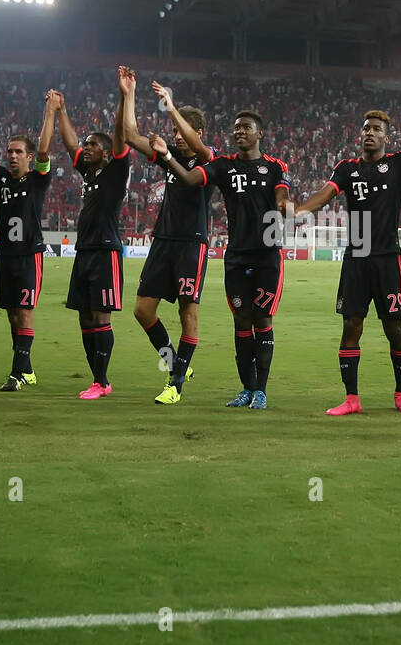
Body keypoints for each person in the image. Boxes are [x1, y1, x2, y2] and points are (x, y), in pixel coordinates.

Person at [291, 111, 401, 415]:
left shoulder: (398, 163)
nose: (369, 133)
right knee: (351, 326)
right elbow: (325, 195)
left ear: (386, 137)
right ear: (360, 136)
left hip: (387, 259)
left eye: (375, 129)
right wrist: (300, 210)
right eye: (365, 129)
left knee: (393, 328)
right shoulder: (346, 169)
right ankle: (351, 399)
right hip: (356, 258)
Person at [154, 110, 288, 409]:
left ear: (259, 134)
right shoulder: (223, 166)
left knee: (262, 319)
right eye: (236, 126)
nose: (239, 131)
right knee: (241, 320)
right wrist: (166, 156)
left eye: (246, 127)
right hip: (237, 256)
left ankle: (261, 391)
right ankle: (246, 388)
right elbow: (189, 178)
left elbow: (281, 193)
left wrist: (283, 205)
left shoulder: (275, 166)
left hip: (268, 253)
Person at [127, 79, 215, 405]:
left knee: (187, 313)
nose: (177, 135)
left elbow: (190, 161)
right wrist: (128, 93)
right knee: (142, 310)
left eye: (184, 130)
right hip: (163, 239)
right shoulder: (169, 154)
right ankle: (174, 360)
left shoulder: (210, 157)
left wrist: (170, 105)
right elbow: (129, 135)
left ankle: (176, 383)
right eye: (175, 129)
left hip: (192, 242)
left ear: (198, 132)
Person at [0, 89, 56, 391]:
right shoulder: (2, 178)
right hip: (5, 255)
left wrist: (51, 111)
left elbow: (44, 150)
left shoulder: (38, 179)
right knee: (10, 314)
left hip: (29, 255)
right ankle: (26, 367)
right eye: (10, 152)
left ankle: (16, 374)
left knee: (24, 312)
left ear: (29, 158)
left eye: (19, 152)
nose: (13, 156)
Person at [56, 71, 132, 400]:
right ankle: (97, 379)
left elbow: (118, 132)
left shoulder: (116, 171)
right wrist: (60, 111)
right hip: (84, 251)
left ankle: (102, 381)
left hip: (105, 251)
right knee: (85, 318)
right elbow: (69, 142)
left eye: (93, 145)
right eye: (87, 145)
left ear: (106, 151)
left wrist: (124, 95)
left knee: (101, 315)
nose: (86, 148)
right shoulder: (88, 170)